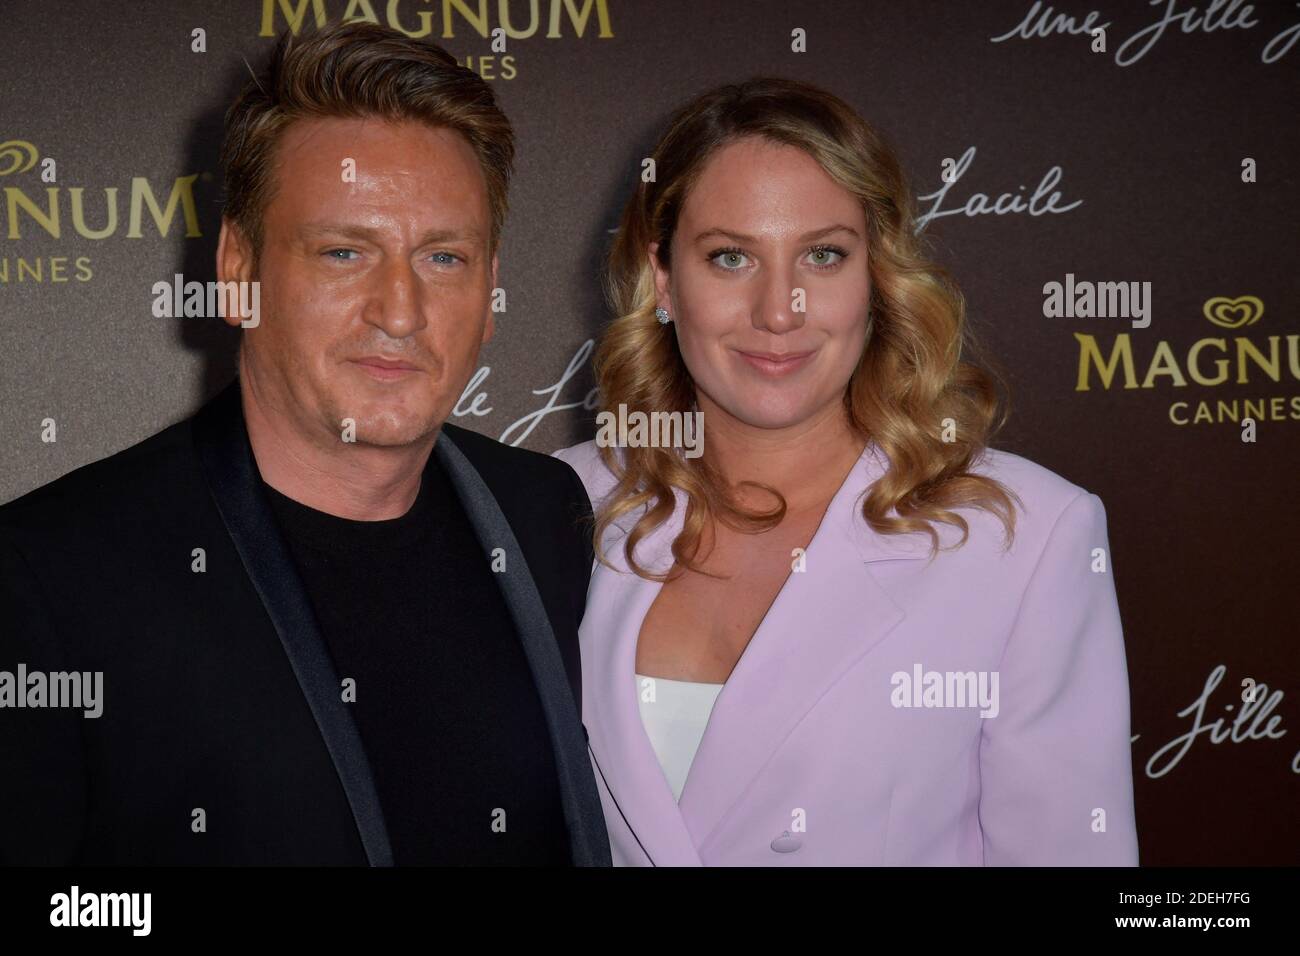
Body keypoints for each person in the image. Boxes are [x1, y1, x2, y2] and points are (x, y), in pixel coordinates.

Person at [0, 22, 609, 867]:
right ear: (238, 272)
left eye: (443, 256)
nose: (399, 311)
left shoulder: (546, 514)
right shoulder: (50, 577)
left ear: (492, 284)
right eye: (343, 251)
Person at [555, 77, 1139, 866]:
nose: (779, 309)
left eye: (823, 255)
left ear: (877, 274)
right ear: (663, 280)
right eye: (730, 257)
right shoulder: (557, 505)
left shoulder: (1024, 536)